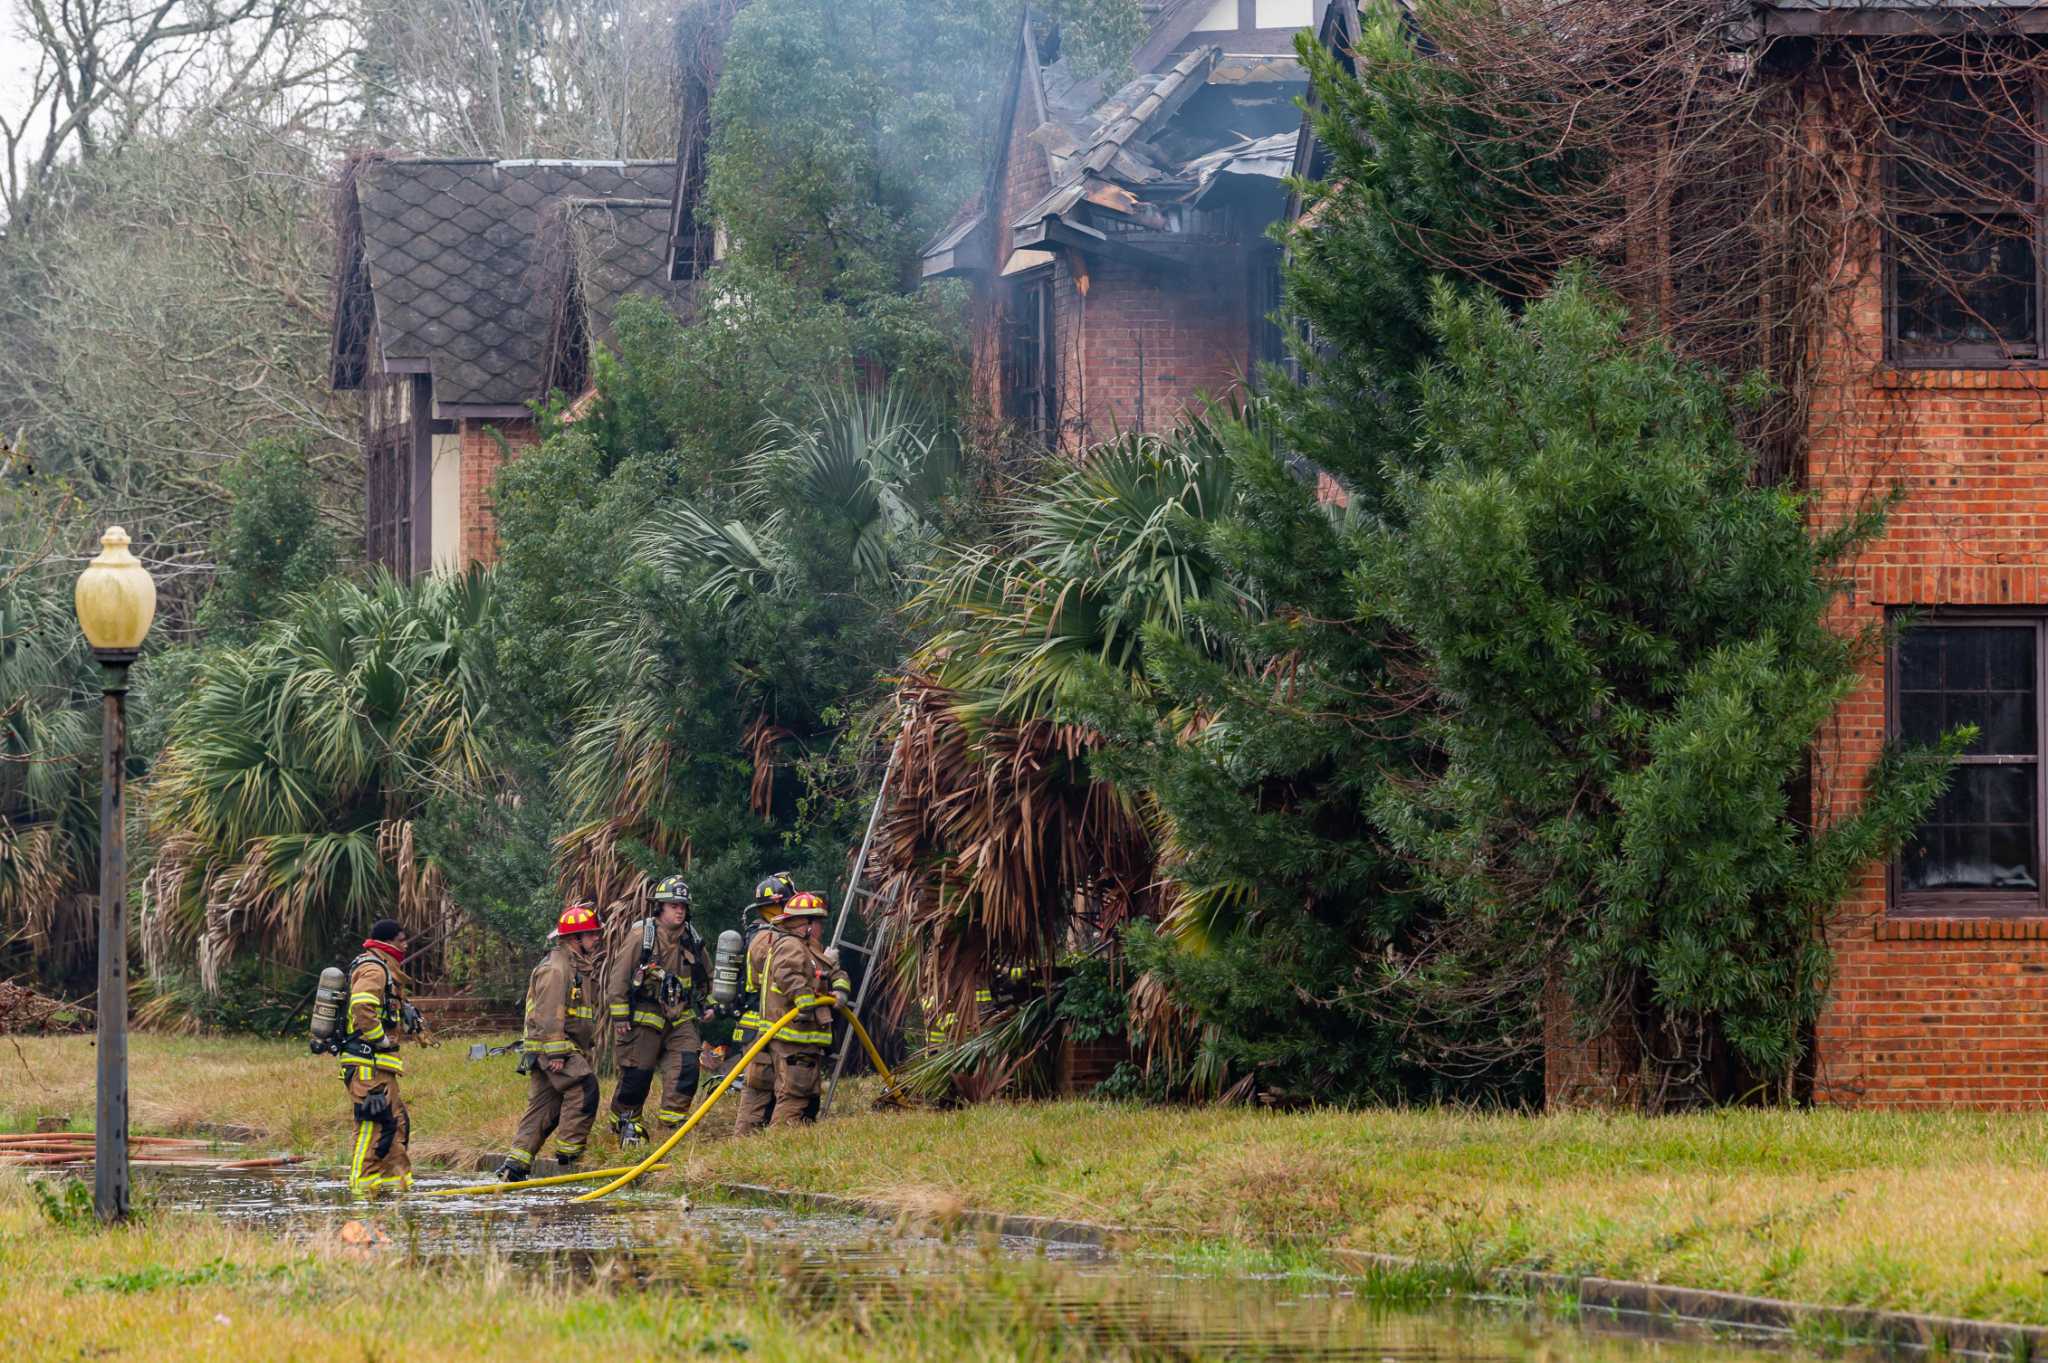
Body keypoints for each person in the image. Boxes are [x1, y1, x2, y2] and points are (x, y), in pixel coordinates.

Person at [497, 902, 603, 1182]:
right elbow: (549, 1013)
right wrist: (558, 1053)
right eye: (590, 934)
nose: (596, 939)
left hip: (549, 1047)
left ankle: (515, 1167)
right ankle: (570, 1155)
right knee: (585, 1086)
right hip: (553, 1047)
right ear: (574, 938)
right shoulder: (557, 969)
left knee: (544, 1107)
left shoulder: (573, 965)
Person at [605, 874, 712, 1147]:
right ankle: (625, 1121)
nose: (679, 910)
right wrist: (619, 1015)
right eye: (673, 904)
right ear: (660, 907)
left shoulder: (692, 938)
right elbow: (618, 977)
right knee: (637, 1076)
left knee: (688, 1066)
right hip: (644, 1017)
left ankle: (671, 1124)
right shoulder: (643, 936)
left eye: (683, 906)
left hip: (681, 1018)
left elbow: (705, 976)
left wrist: (709, 1002)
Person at [734, 891, 851, 1133]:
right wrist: (806, 1000)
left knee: (761, 1095)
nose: (820, 927)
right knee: (795, 1094)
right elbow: (787, 974)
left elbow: (836, 974)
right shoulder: (791, 945)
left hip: (787, 1037)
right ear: (804, 924)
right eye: (817, 921)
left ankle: (745, 1145)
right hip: (793, 1035)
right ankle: (780, 1144)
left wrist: (839, 991)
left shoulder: (808, 948)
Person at [341, 918, 417, 1196]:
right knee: (372, 1124)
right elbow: (362, 1005)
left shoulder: (383, 967)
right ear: (387, 942)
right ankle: (361, 1188)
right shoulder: (374, 968)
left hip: (377, 1067)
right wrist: (379, 1038)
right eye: (401, 940)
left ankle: (394, 1185)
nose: (405, 945)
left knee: (393, 1124)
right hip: (366, 1065)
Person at [730, 872, 796, 1058]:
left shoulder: (767, 934)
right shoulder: (766, 939)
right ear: (777, 906)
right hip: (759, 1022)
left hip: (763, 1022)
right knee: (757, 1083)